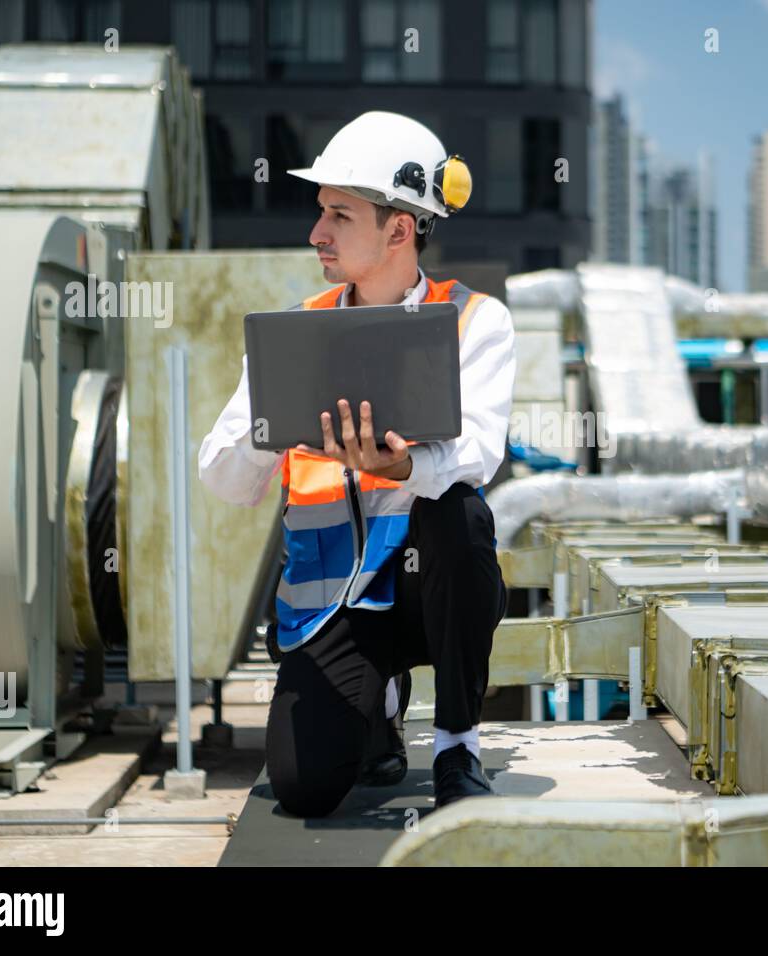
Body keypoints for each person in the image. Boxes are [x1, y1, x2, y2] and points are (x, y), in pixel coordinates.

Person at [197, 111, 516, 817]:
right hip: (332, 607)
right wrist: (274, 428)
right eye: (321, 214)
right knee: (304, 789)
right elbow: (220, 471)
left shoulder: (475, 321)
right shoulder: (291, 334)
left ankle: (458, 745)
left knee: (457, 511)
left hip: (428, 592)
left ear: (399, 229)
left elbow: (482, 452)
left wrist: (405, 469)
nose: (317, 234)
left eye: (339, 215)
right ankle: (381, 710)